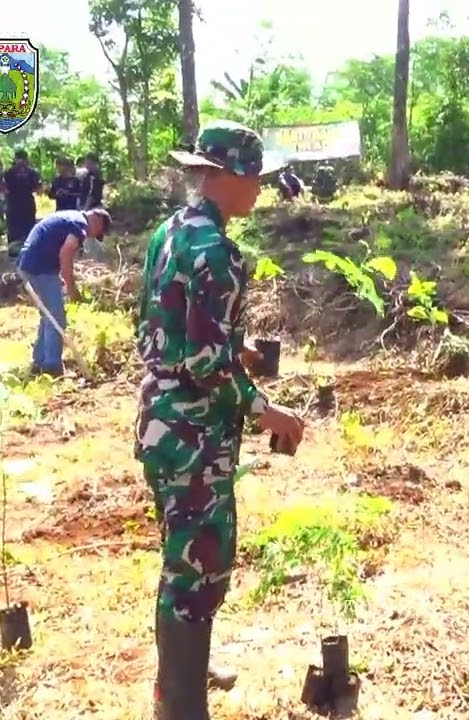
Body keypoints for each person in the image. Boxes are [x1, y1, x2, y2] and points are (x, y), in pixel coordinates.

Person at [136, 119, 305, 720]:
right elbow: (206, 365)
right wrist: (269, 412)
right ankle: (180, 708)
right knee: (198, 571)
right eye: (253, 178)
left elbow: (163, 332)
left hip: (161, 421)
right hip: (194, 437)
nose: (258, 191)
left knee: (184, 562)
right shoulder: (216, 251)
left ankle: (185, 676)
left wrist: (242, 355)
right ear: (226, 177)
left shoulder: (168, 235)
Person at [15, 208, 112, 376]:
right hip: (39, 268)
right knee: (56, 317)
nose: (91, 237)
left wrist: (59, 276)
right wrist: (71, 288)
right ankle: (52, 367)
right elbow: (66, 254)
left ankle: (40, 362)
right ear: (96, 220)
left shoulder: (70, 217)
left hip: (30, 264)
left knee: (49, 315)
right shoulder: (79, 225)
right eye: (97, 233)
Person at [3, 150, 42, 257]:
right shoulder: (31, 172)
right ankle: (26, 252)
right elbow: (38, 189)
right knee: (24, 228)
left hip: (16, 204)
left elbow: (4, 190)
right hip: (22, 203)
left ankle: (17, 253)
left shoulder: (9, 172)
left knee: (17, 229)